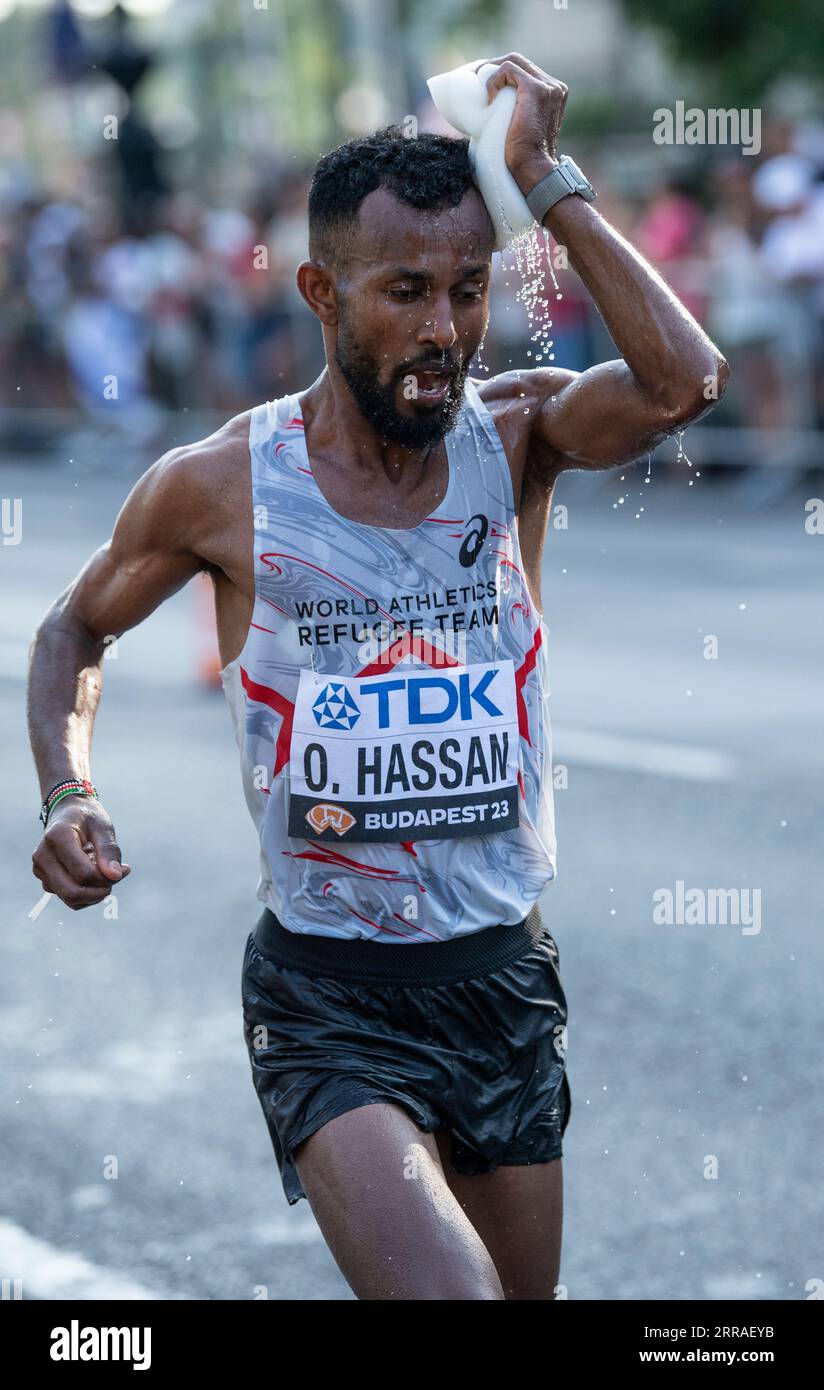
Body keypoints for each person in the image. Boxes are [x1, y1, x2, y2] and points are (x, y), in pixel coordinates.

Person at [27, 55, 728, 1300]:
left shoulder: (516, 436)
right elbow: (71, 632)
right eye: (404, 291)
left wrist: (543, 183)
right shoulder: (222, 485)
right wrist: (67, 792)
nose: (444, 331)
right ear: (318, 290)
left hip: (500, 976)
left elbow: (684, 381)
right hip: (328, 1000)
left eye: (465, 291)